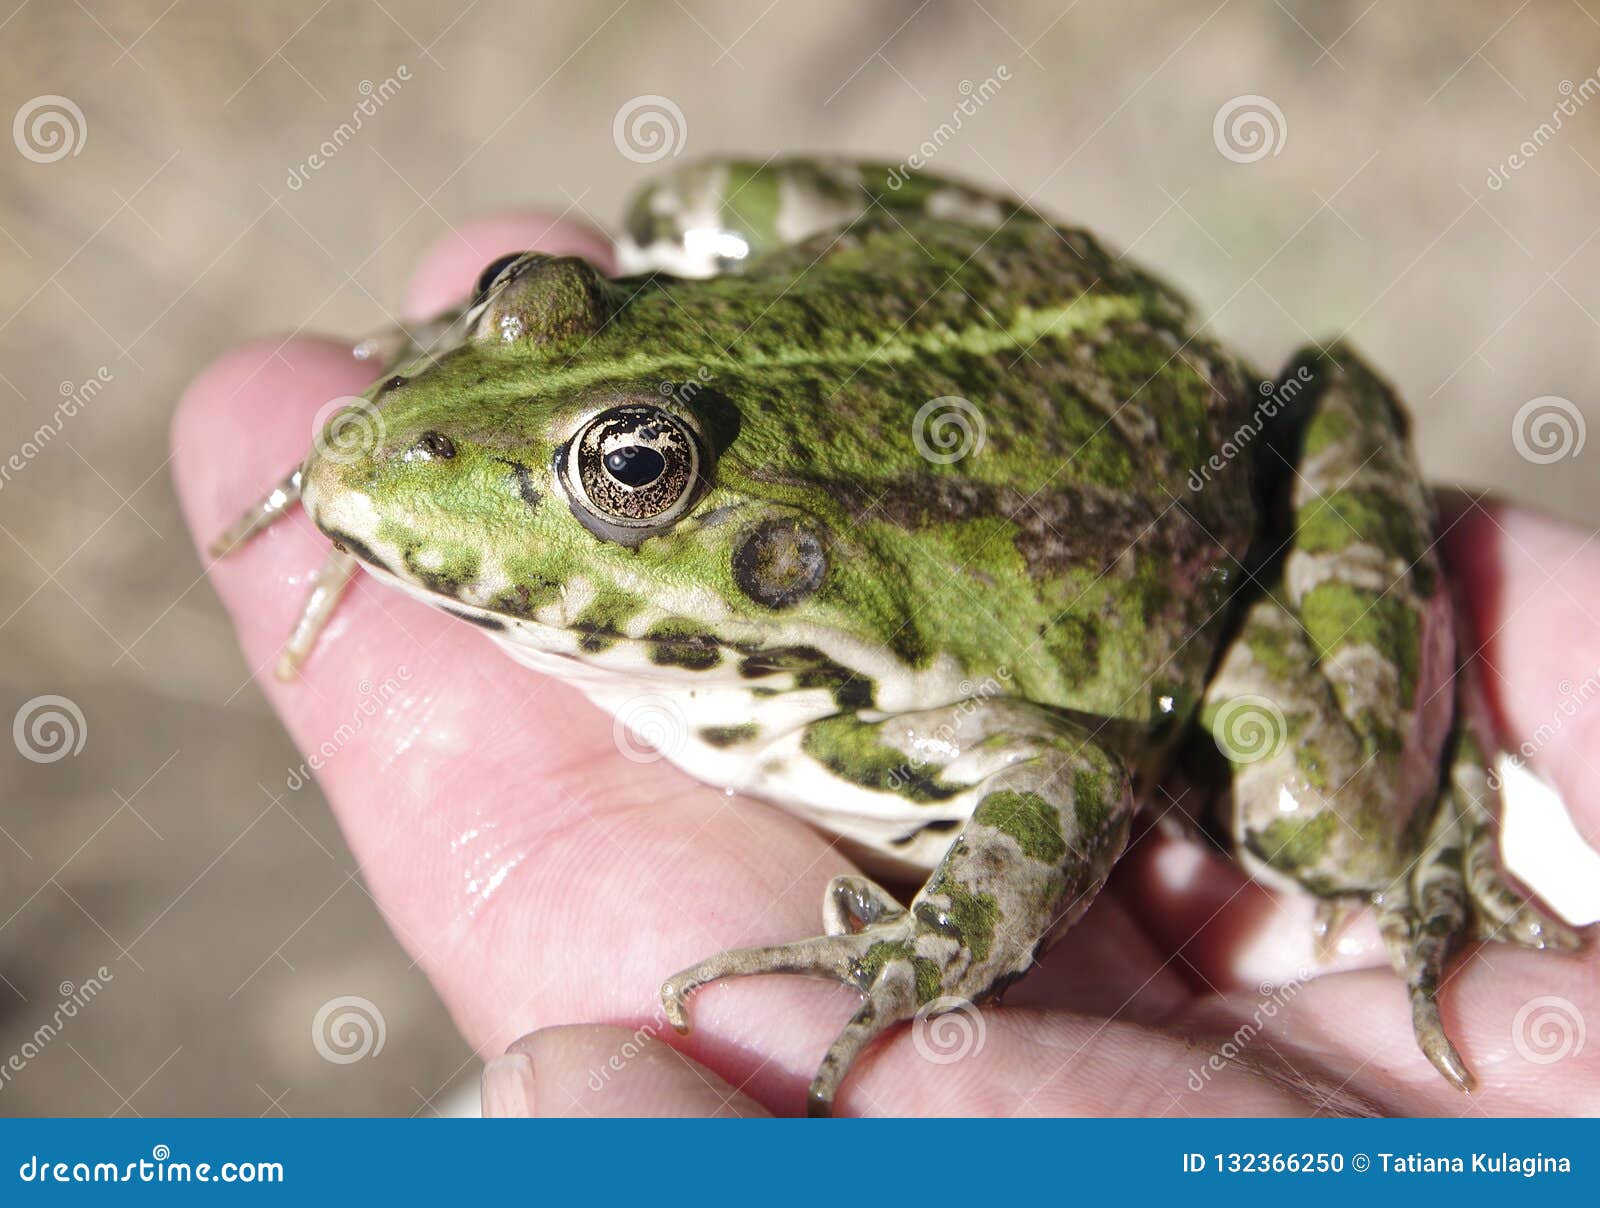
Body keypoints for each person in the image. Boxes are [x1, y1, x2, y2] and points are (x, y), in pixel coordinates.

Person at [172, 212, 1599, 1118]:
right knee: (692, 208)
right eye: (507, 305)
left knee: (1336, 822)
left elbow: (1064, 758)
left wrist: (948, 937)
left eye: (631, 470)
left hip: (1182, 521)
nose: (386, 432)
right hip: (979, 304)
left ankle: (1449, 796)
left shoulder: (906, 661)